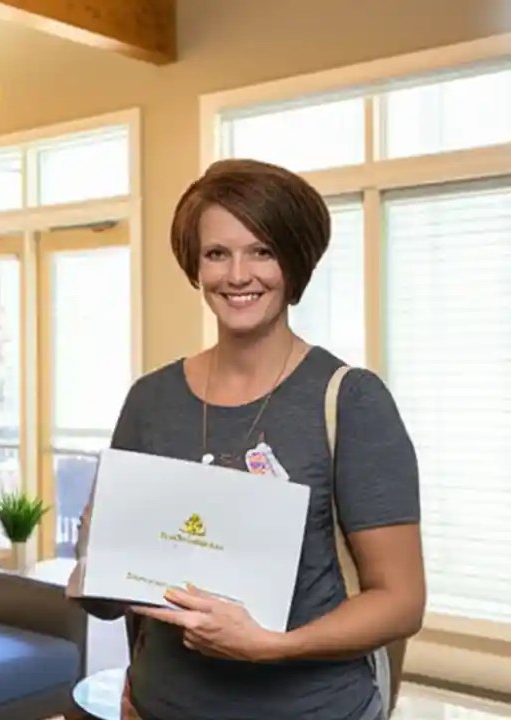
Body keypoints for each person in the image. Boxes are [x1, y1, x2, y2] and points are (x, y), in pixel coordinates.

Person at [75, 159, 426, 720]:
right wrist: (96, 555)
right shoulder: (150, 399)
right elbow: (107, 598)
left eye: (262, 250)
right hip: (157, 705)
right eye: (217, 253)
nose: (238, 275)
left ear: (295, 260)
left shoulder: (350, 401)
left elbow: (402, 602)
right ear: (196, 265)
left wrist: (272, 646)